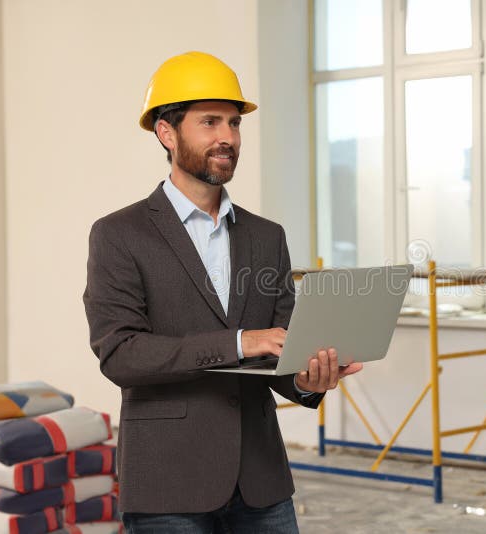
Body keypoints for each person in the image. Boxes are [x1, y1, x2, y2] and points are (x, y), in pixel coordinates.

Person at [83, 51, 362, 533]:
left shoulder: (265, 235)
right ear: (166, 133)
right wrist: (238, 341)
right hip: (168, 485)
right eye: (209, 122)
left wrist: (307, 380)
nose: (227, 137)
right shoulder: (119, 234)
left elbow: (278, 349)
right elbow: (121, 355)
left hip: (261, 483)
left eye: (234, 123)